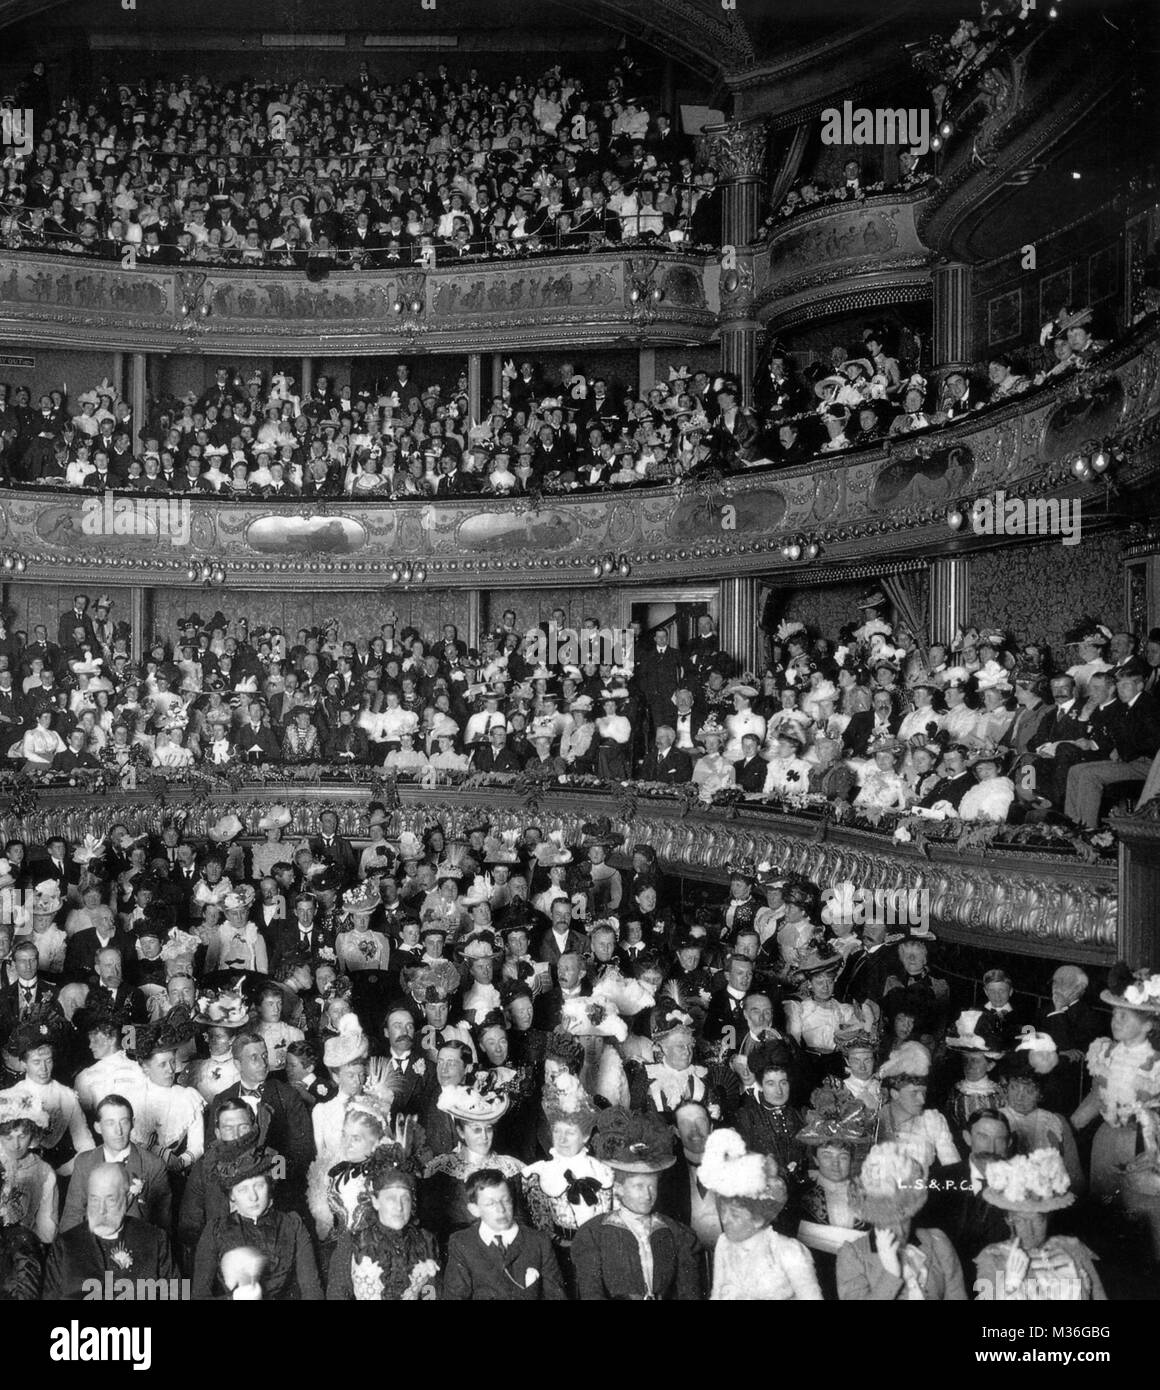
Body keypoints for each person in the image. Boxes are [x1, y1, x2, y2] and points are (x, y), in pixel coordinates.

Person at [571, 1106, 702, 1300]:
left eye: (652, 1186)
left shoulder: (676, 1233)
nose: (648, 1195)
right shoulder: (593, 1234)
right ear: (619, 1187)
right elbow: (592, 1294)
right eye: (638, 1186)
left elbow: (689, 1294)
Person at [700, 1128, 822, 1300]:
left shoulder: (788, 1251)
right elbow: (716, 1295)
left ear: (758, 1219)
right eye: (723, 1211)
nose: (725, 1220)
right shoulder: (724, 1244)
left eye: (735, 1215)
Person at [1071, 964, 1160, 1199]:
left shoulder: (1155, 1064)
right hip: (1106, 1137)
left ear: (1147, 1025)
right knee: (1101, 1203)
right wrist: (1070, 1126)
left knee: (1133, 1208)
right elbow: (1097, 1095)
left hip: (1143, 1146)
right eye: (1114, 1014)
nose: (1116, 1021)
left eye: (1124, 1016)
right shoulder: (1106, 1052)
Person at [192, 1139, 322, 1300]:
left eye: (259, 1186)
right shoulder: (215, 1230)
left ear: (269, 1186)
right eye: (242, 1189)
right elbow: (198, 1296)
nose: (252, 1197)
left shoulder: (292, 1225)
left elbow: (312, 1291)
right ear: (232, 1195)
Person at [836, 1141, 967, 1300]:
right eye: (887, 1217)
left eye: (904, 1214)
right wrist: (891, 1273)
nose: (899, 1226)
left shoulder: (937, 1241)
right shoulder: (853, 1254)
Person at [974, 1149, 1105, 1300]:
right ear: (1008, 1220)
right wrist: (1009, 1288)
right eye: (1021, 1221)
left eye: (1037, 1220)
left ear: (1048, 1218)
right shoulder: (992, 1257)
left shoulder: (1073, 1248)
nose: (1029, 1229)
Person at [44, 1162, 176, 1300]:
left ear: (127, 1199)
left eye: (110, 1200)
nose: (101, 1210)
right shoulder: (65, 1246)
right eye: (94, 1199)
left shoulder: (155, 1241)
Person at [326, 1143, 439, 1301]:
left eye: (405, 1199)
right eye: (391, 1198)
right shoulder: (352, 1243)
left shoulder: (425, 1242)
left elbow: (430, 1291)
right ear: (375, 1201)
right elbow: (336, 1294)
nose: (399, 1207)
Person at [442, 1169, 565, 1301]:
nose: (501, 1209)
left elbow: (556, 1295)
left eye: (506, 1200)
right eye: (490, 1204)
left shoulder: (538, 1241)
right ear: (475, 1209)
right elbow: (454, 1296)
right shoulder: (462, 1242)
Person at [60, 1094, 171, 1234]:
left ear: (133, 1123)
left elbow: (162, 1228)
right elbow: (72, 1214)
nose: (118, 1131)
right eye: (110, 1123)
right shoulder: (84, 1163)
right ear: (98, 1127)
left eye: (124, 1122)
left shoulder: (153, 1166)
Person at [0, 1090, 57, 1244]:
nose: (16, 1145)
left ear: (33, 1135)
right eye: (8, 1137)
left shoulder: (43, 1171)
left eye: (22, 1136)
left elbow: (47, 1230)